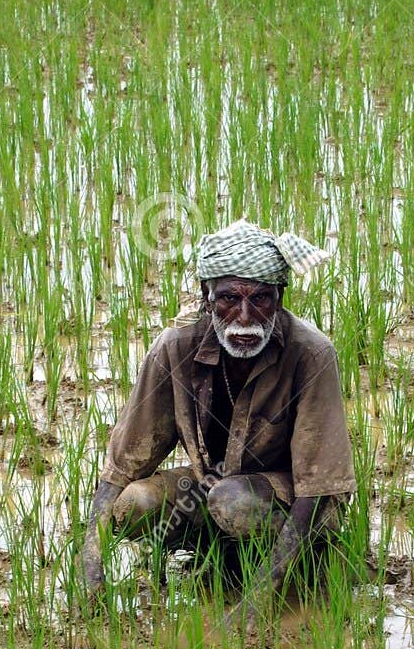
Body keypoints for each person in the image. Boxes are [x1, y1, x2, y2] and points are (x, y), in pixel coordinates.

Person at [78, 219, 355, 603]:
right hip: (210, 491)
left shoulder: (311, 354)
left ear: (280, 299)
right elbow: (122, 465)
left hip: (290, 503)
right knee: (135, 504)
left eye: (260, 299)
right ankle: (217, 554)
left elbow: (319, 487)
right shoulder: (175, 348)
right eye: (228, 299)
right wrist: (90, 564)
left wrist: (257, 598)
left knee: (232, 500)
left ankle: (307, 560)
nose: (244, 318)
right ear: (207, 299)